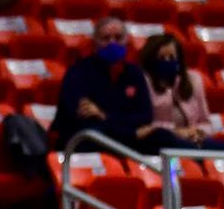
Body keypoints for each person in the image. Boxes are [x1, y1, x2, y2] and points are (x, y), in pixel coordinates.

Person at [53, 18, 153, 151]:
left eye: (118, 38)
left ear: (127, 41)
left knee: (161, 137)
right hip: (84, 140)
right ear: (95, 43)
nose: (113, 43)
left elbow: (145, 116)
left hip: (124, 140)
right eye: (106, 38)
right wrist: (131, 132)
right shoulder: (78, 72)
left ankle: (178, 169)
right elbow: (82, 118)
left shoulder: (135, 73)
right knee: (93, 132)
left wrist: (105, 116)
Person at [138, 32, 224, 153]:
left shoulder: (193, 80)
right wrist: (177, 132)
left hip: (193, 140)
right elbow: (144, 126)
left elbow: (205, 122)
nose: (167, 62)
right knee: (168, 142)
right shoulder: (142, 81)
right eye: (161, 58)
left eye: (172, 57)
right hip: (163, 142)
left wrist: (196, 132)